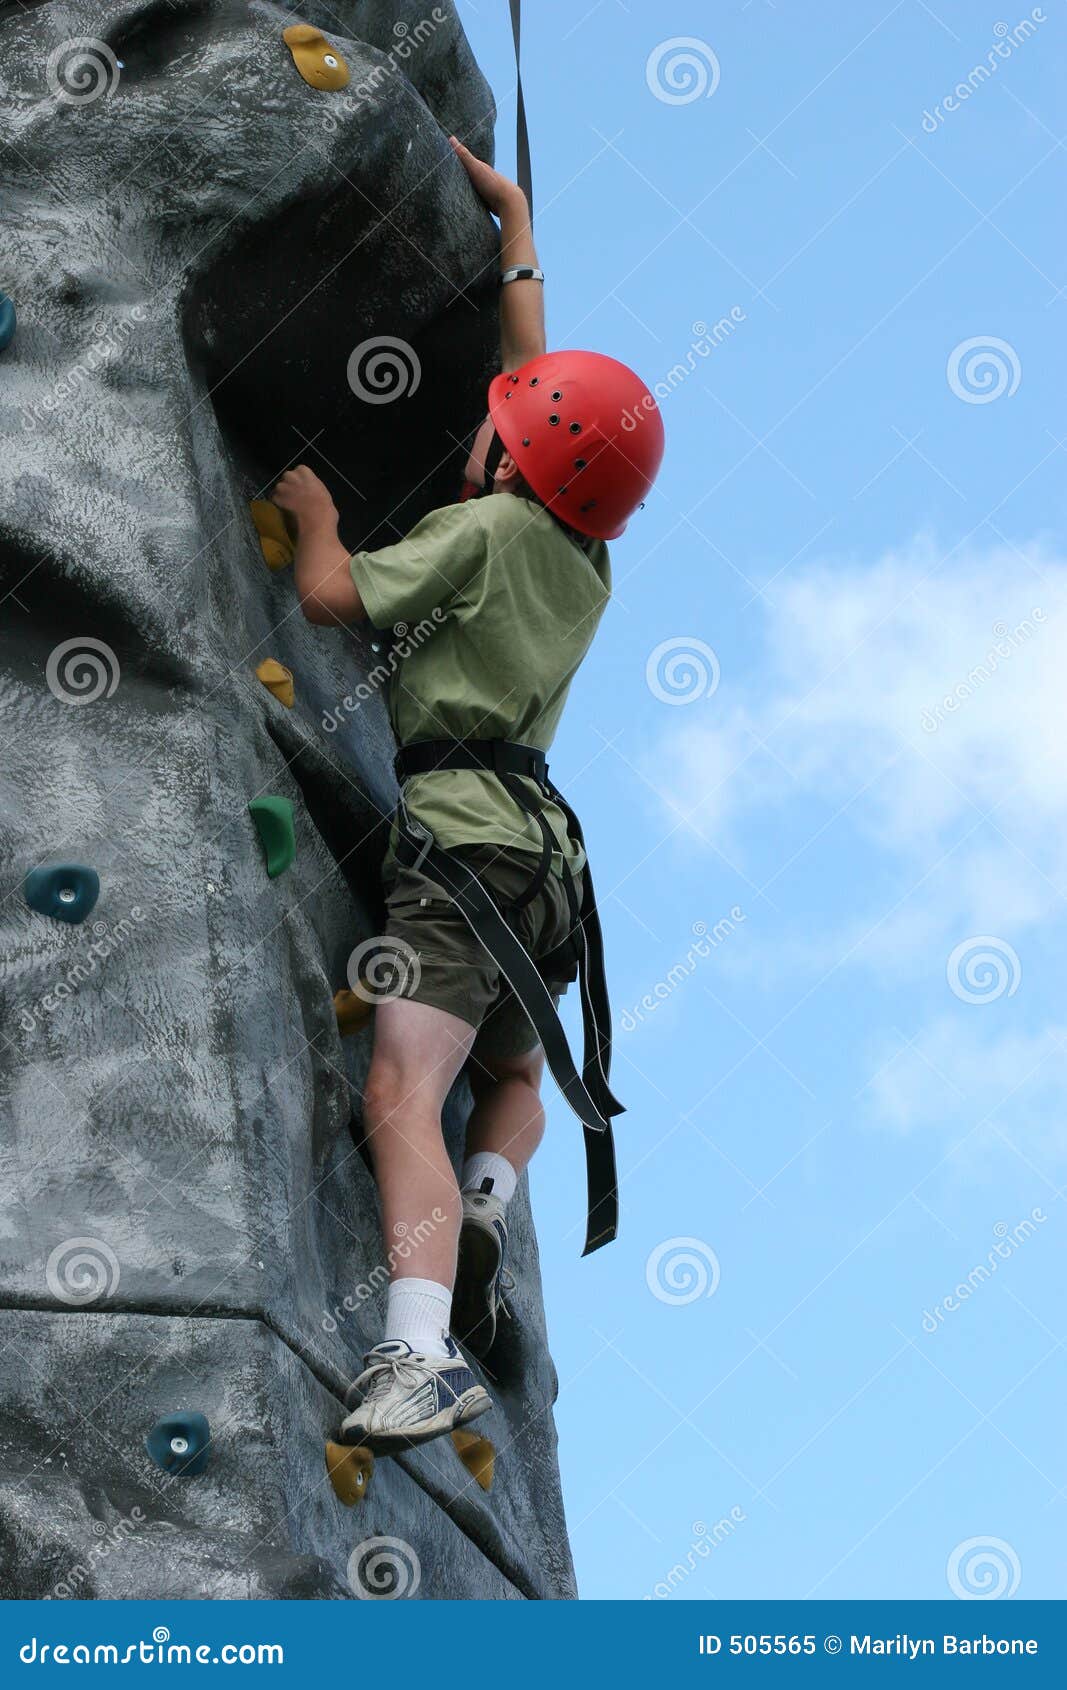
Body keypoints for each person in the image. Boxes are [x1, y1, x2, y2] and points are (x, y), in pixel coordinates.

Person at [271, 138, 664, 1451]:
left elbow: (332, 598)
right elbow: (539, 392)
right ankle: (488, 1194)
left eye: (492, 436)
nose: (479, 434)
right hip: (547, 871)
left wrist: (319, 513)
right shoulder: (585, 554)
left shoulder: (481, 529)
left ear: (507, 463)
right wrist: (517, 227)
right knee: (510, 1070)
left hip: (460, 853)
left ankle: (418, 1347)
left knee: (398, 1090)